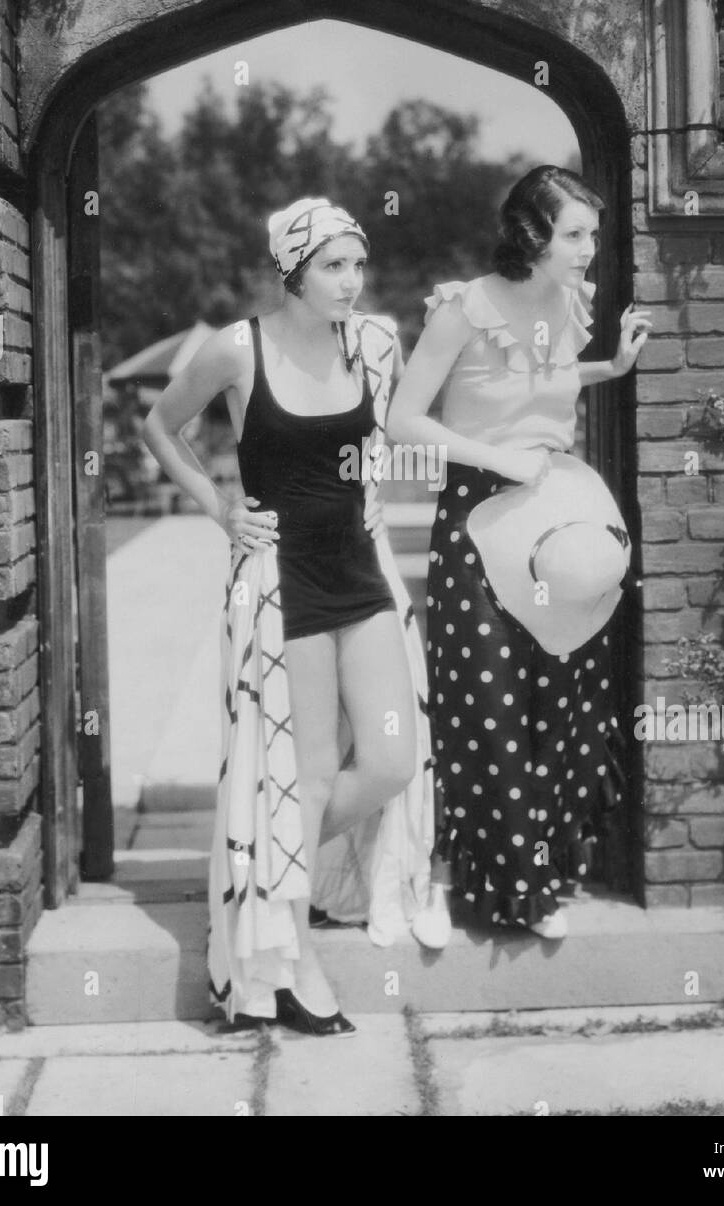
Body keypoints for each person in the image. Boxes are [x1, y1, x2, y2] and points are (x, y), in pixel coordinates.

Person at [143, 198, 434, 1036]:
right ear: (292, 271)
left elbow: (389, 438)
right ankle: (292, 948)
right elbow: (160, 427)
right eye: (335, 266)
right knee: (304, 771)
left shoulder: (370, 341)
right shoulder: (236, 349)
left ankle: (265, 873)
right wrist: (219, 507)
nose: (353, 281)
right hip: (280, 576)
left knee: (388, 758)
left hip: (356, 565)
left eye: (357, 264)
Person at [386, 165, 651, 947]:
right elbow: (403, 420)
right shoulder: (463, 308)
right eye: (574, 234)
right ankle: (441, 877)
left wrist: (613, 368)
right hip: (477, 515)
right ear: (532, 235)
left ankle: (535, 877)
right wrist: (495, 460)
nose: (588, 249)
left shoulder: (571, 306)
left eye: (591, 234)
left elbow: (548, 382)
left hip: (556, 516)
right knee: (480, 703)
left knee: (555, 696)